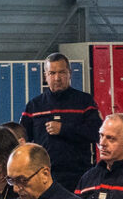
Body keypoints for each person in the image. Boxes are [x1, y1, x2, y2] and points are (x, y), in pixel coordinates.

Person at [20, 53, 102, 189]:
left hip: (78, 175)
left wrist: (64, 129)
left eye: (62, 72)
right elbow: (23, 139)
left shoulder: (84, 101)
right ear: (45, 76)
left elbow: (96, 133)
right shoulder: (34, 105)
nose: (57, 78)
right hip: (45, 176)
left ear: (70, 74)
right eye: (52, 73)